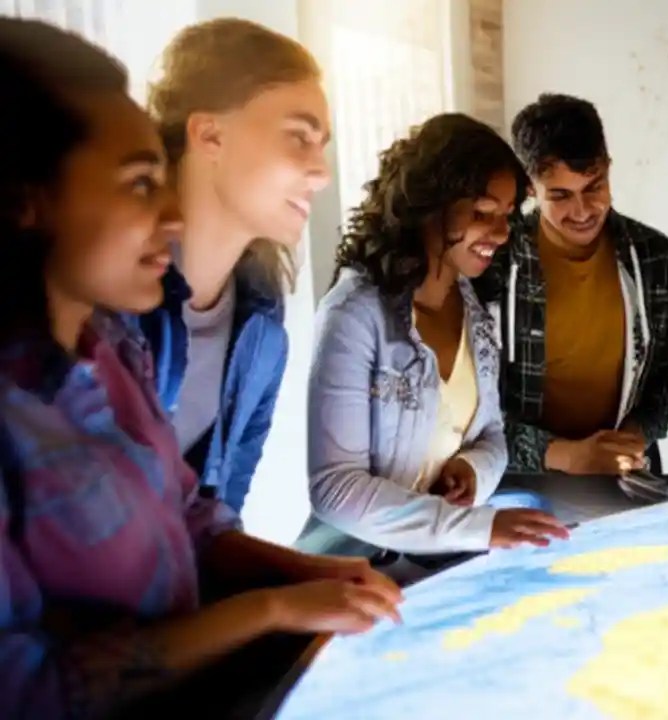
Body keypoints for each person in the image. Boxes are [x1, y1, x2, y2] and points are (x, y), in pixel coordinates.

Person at [0, 20, 400, 719]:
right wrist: (271, 607)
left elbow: (197, 517)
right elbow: (28, 687)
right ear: (24, 201)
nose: (171, 216)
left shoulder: (115, 354)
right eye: (137, 184)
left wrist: (309, 578)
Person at [296, 114, 570, 580]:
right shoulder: (355, 314)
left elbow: (493, 437)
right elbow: (335, 489)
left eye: (506, 217)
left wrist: (470, 468)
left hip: (429, 566)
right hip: (349, 572)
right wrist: (476, 527)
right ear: (429, 204)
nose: (502, 235)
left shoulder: (474, 311)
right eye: (483, 213)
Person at [139, 18, 332, 513]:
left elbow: (221, 516)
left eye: (321, 146)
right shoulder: (103, 298)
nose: (322, 173)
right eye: (298, 138)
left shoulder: (263, 327)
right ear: (209, 135)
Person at [475, 93, 668, 520]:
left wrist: (633, 437)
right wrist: (562, 455)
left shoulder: (656, 260)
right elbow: (472, 406)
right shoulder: (491, 261)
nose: (582, 210)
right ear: (529, 187)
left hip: (623, 483)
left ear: (608, 167)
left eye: (594, 187)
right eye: (560, 195)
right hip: (518, 488)